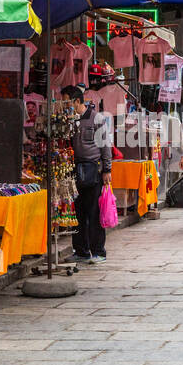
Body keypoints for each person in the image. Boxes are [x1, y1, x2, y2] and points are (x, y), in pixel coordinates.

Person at [66, 85, 112, 263]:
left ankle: (98, 251)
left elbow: (105, 145)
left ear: (77, 101)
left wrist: (107, 169)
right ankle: (81, 251)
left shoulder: (96, 119)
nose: (64, 106)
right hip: (75, 171)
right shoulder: (70, 120)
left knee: (94, 211)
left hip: (94, 169)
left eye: (67, 101)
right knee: (78, 212)